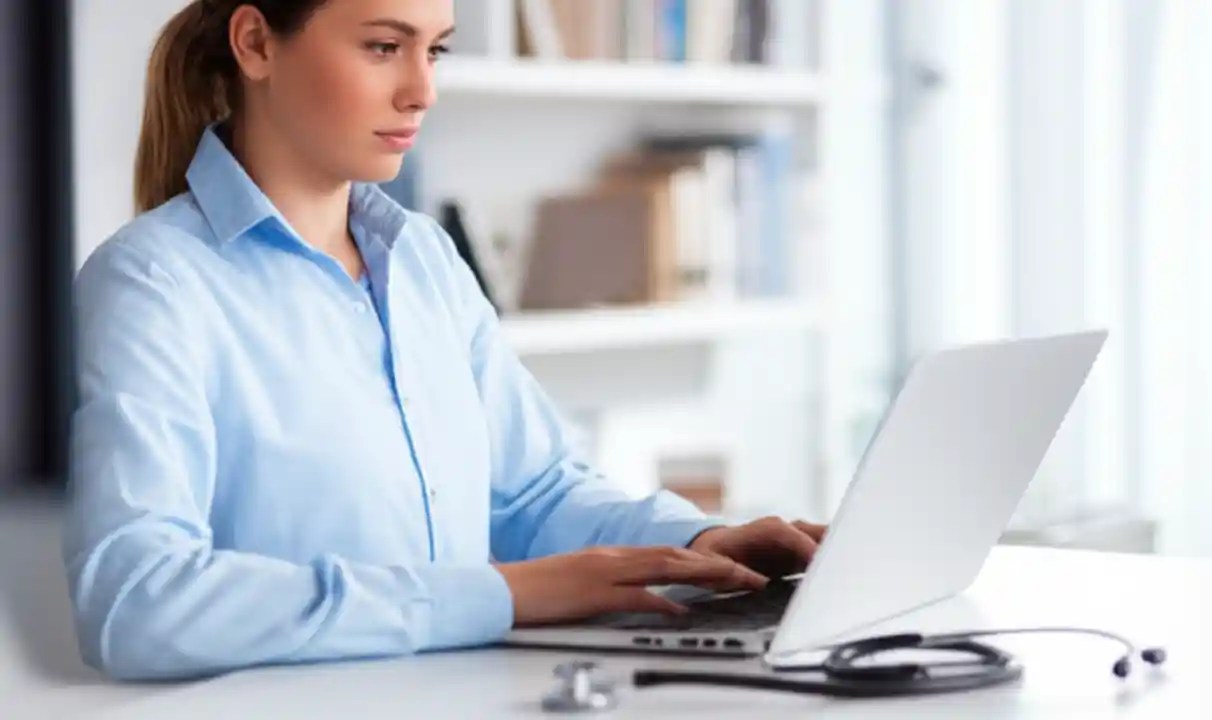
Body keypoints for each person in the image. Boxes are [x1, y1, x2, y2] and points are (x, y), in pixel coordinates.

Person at [64, 0, 827, 681]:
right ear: (257, 43)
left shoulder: (422, 257)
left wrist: (702, 544)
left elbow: (536, 492)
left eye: (436, 50)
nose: (422, 91)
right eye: (383, 47)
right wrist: (501, 594)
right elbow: (137, 601)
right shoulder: (155, 281)